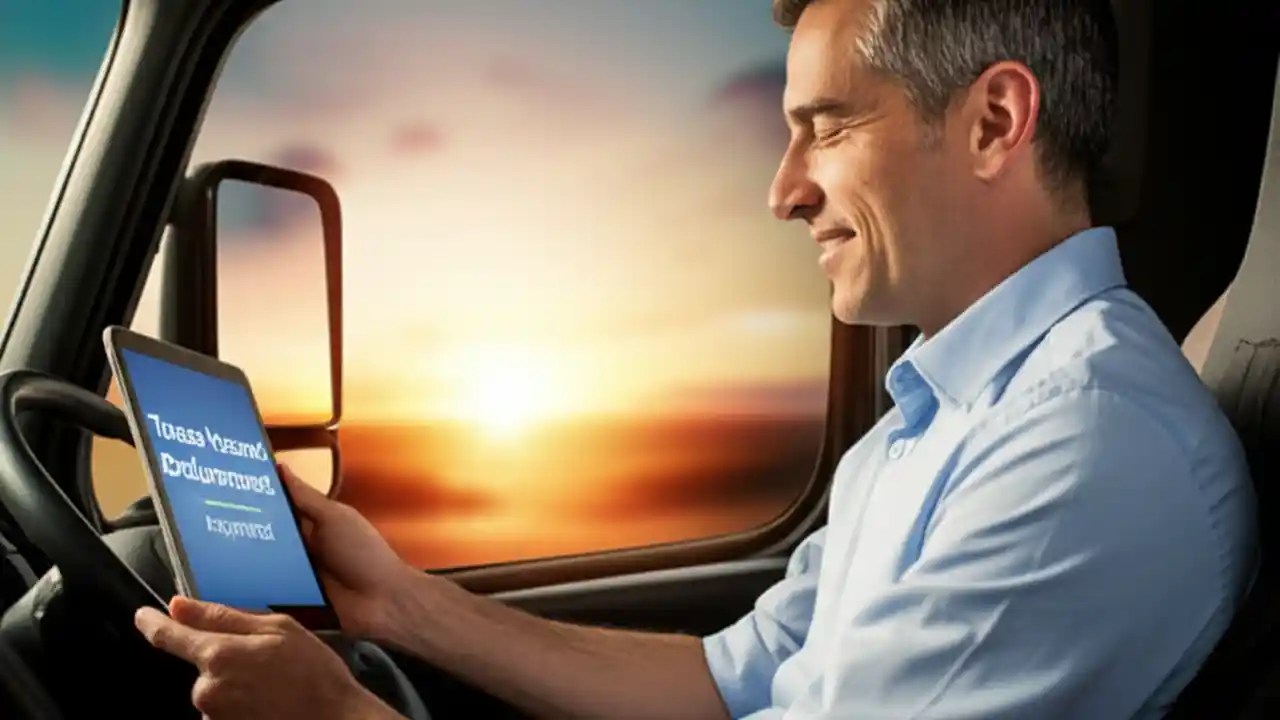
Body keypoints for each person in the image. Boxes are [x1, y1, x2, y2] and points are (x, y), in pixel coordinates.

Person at [133, 0, 1260, 717]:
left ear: (991, 121)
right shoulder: (938, 416)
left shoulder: (1084, 443)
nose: (783, 190)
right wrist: (403, 605)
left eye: (825, 126)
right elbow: (731, 682)